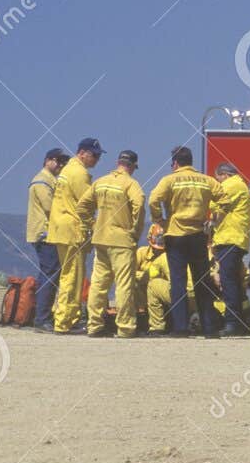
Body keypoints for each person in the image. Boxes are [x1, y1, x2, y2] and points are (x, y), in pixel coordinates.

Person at [148, 146, 221, 338]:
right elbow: (225, 199)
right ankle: (209, 328)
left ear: (175, 163)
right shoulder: (207, 180)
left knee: (178, 281)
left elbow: (153, 200)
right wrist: (214, 219)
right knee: (202, 281)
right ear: (191, 161)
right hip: (198, 235)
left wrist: (159, 220)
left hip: (175, 235)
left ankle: (180, 327)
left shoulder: (169, 180)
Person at [77, 150, 146, 338]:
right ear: (132, 166)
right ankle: (125, 327)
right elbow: (139, 204)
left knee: (99, 283)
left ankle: (94, 325)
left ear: (118, 162)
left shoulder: (101, 182)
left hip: (101, 239)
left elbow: (82, 206)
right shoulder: (130, 184)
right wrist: (134, 232)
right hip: (121, 241)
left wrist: (92, 224)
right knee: (123, 284)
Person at [45, 137, 103, 334]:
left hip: (60, 229)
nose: (96, 160)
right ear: (82, 153)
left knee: (68, 274)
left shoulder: (67, 170)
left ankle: (66, 317)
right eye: (94, 155)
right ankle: (65, 322)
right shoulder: (79, 174)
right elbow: (88, 202)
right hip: (72, 230)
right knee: (72, 277)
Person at [25, 148, 67, 330]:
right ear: (48, 160)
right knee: (50, 274)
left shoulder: (49, 180)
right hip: (45, 234)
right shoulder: (42, 182)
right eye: (57, 161)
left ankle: (42, 316)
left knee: (47, 274)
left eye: (62, 163)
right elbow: (51, 208)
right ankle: (42, 318)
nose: (60, 166)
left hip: (45, 233)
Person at [211, 162, 250, 336]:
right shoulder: (238, 184)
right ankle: (239, 321)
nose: (218, 183)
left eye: (218, 179)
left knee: (228, 281)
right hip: (233, 239)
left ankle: (232, 323)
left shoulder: (232, 185)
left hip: (230, 239)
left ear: (224, 175)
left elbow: (216, 204)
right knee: (233, 282)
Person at [134, 227, 171, 335]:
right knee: (130, 284)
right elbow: (129, 272)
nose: (158, 251)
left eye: (161, 249)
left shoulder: (168, 256)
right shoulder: (141, 253)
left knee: (154, 285)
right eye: (155, 248)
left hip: (161, 296)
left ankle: (158, 324)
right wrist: (145, 277)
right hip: (142, 296)